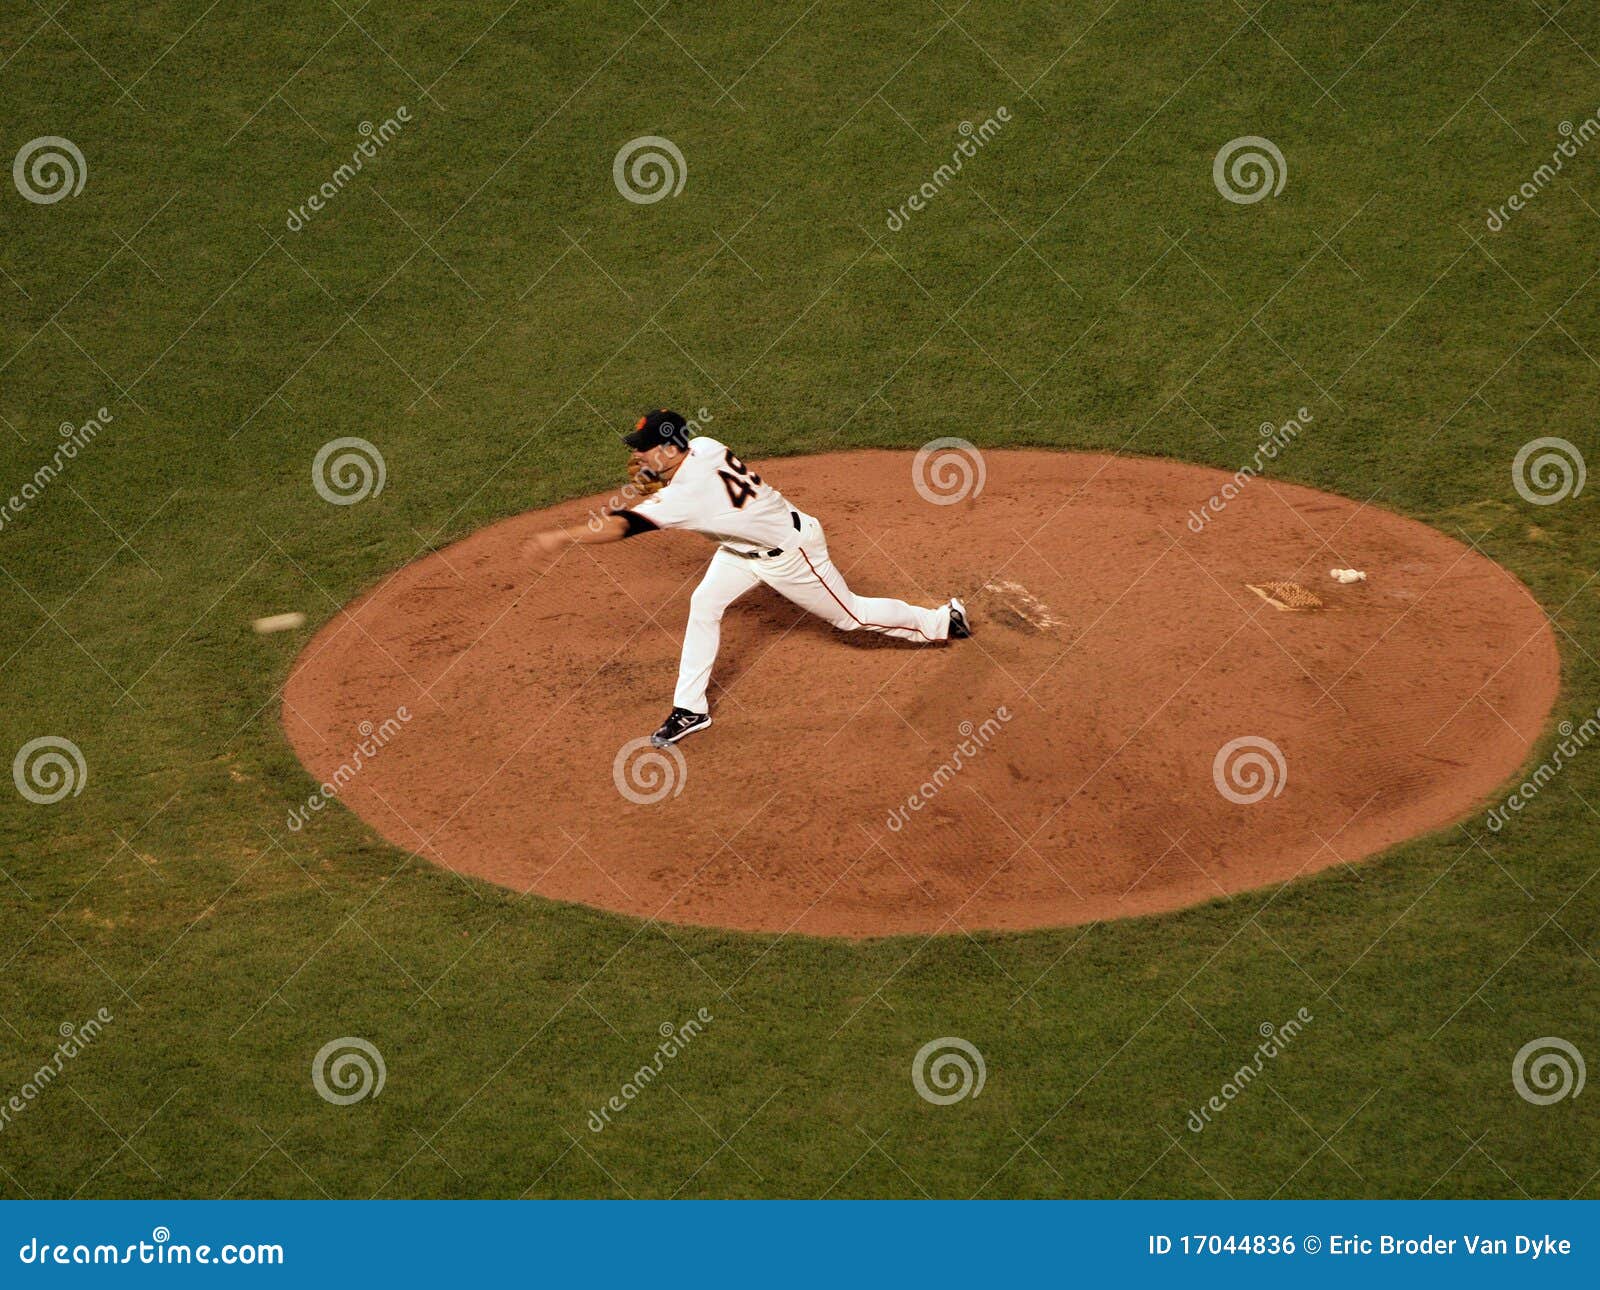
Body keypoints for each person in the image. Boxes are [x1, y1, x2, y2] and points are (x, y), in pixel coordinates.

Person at [529, 410, 970, 746]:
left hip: (792, 555)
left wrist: (560, 537)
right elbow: (692, 486)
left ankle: (942, 622)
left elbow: (623, 525)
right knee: (704, 605)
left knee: (851, 617)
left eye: (644, 447)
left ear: (667, 450)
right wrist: (659, 481)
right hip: (742, 549)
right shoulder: (703, 443)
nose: (637, 453)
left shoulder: (685, 495)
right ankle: (690, 709)